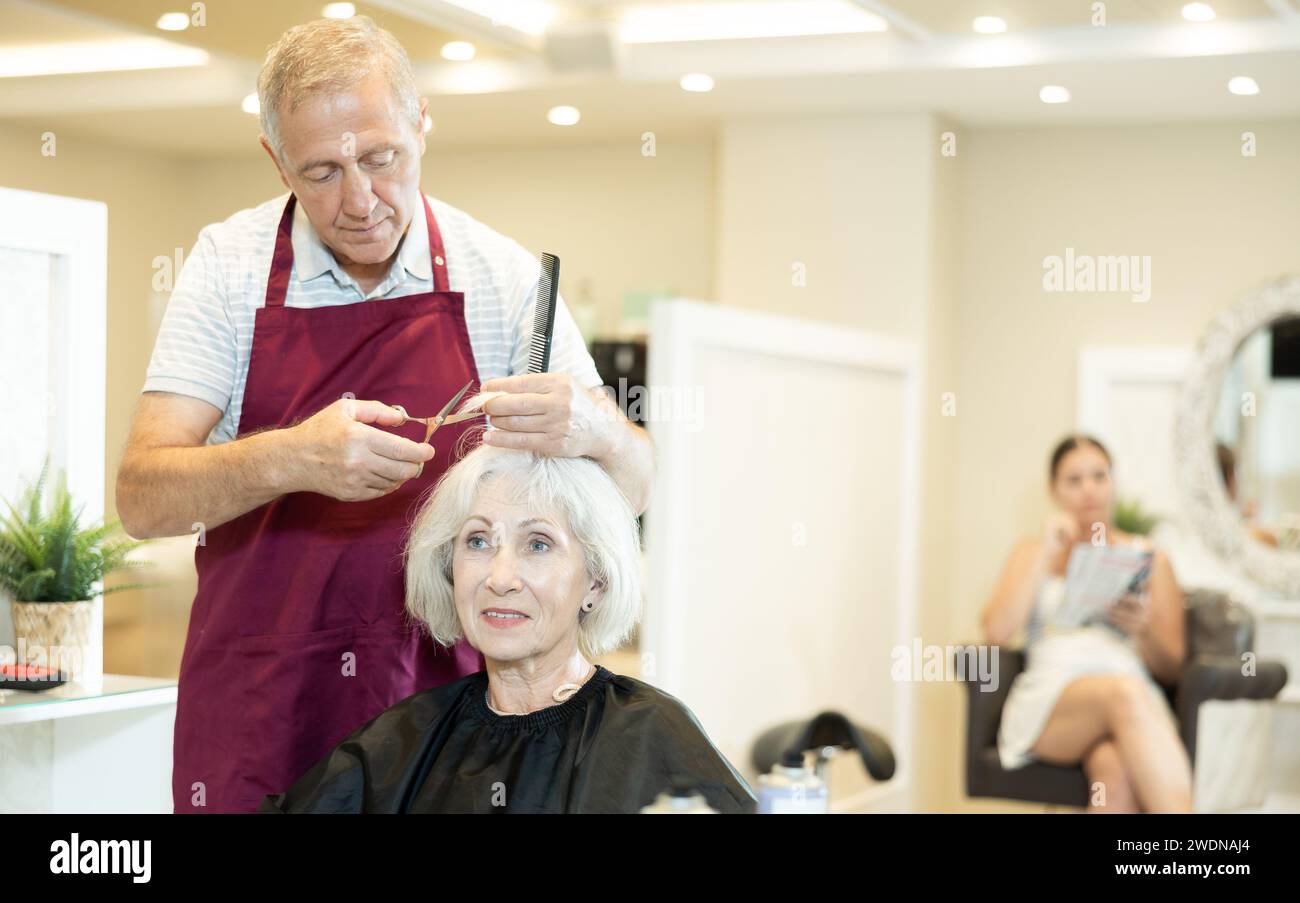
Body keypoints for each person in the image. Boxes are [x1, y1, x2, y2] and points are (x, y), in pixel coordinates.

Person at [115, 16, 653, 814]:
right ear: (275, 160)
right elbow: (141, 498)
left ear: (422, 122)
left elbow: (635, 486)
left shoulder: (498, 276)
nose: (360, 201)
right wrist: (292, 458)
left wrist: (599, 427)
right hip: (262, 708)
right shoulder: (228, 266)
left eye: (380, 158)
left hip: (454, 715)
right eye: (321, 172)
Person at [261, 405, 755, 813]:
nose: (499, 577)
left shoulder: (650, 736)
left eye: (538, 544)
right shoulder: (405, 740)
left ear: (596, 583)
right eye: (478, 540)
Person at [980, 435, 1192, 813]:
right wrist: (1046, 551)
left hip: (1133, 702)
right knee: (1121, 693)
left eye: (1099, 476)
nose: (1089, 490)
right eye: (1074, 480)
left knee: (1114, 773)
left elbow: (1172, 667)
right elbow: (995, 633)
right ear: (1054, 490)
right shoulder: (1032, 552)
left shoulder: (1150, 559)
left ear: (1113, 482)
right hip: (1055, 702)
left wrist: (1142, 629)